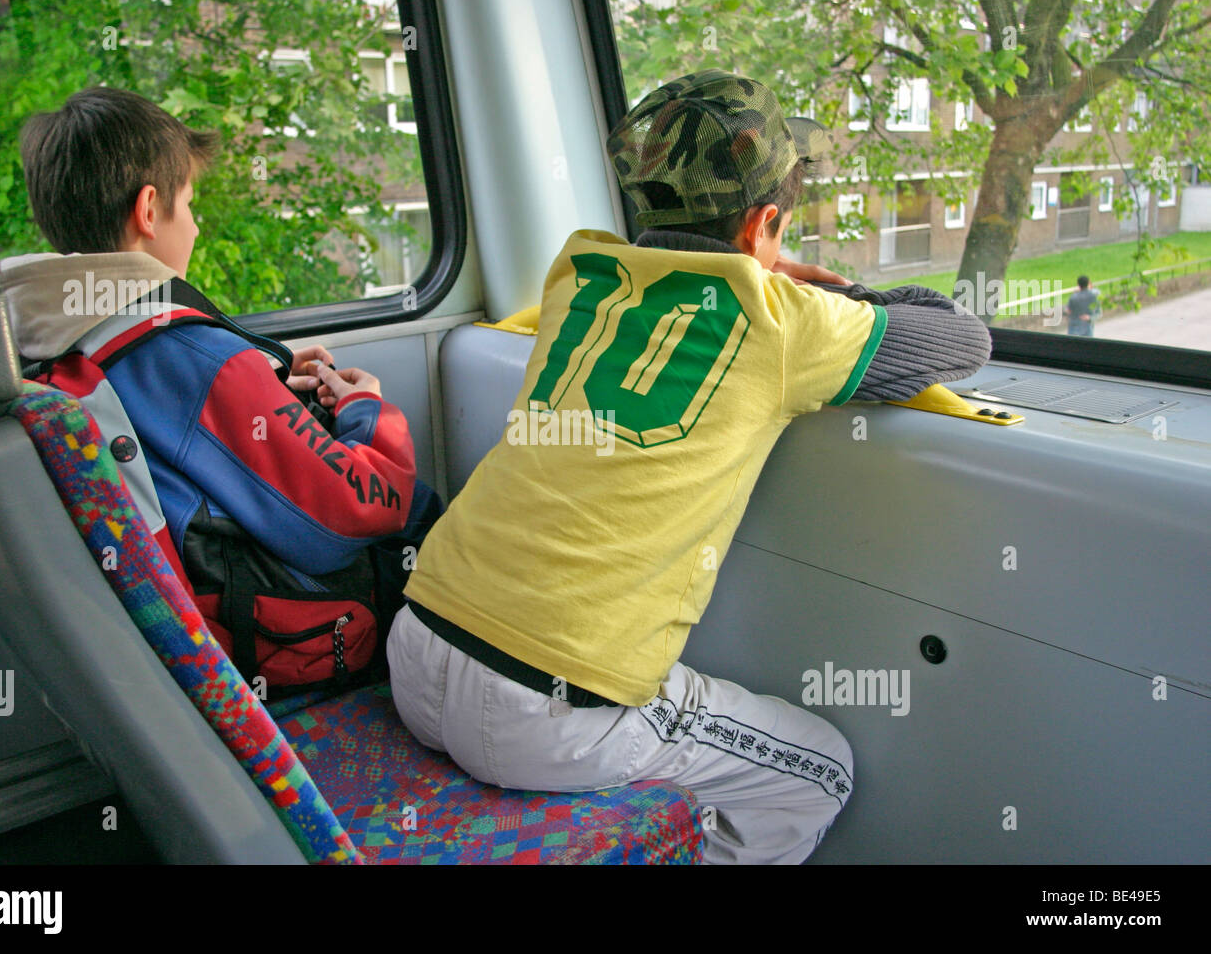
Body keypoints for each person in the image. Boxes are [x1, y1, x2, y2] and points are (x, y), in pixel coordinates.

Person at [385, 70, 990, 863]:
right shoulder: (782, 322)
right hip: (548, 712)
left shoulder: (579, 274)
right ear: (765, 223)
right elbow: (961, 337)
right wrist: (834, 292)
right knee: (818, 774)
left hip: (417, 644)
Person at [4, 87, 440, 694]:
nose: (198, 224)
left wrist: (263, 390)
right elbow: (364, 510)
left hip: (164, 654)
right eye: (190, 203)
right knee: (426, 516)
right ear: (149, 210)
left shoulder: (41, 342)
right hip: (286, 647)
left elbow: (166, 421)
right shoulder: (198, 359)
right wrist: (367, 410)